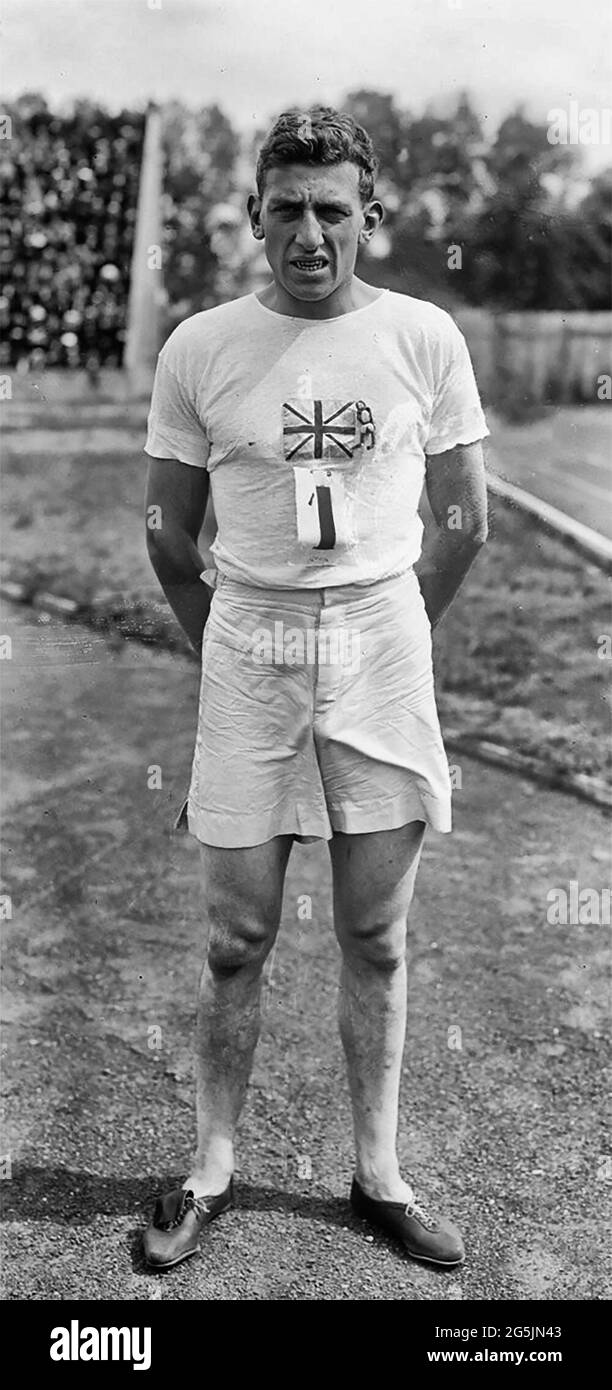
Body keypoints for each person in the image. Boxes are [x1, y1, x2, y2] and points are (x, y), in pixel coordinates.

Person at [142, 105, 489, 1272]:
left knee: (376, 934)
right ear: (254, 218)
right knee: (236, 936)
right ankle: (210, 1166)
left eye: (331, 209)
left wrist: (395, 638)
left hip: (383, 640)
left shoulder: (425, 336)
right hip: (250, 639)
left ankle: (379, 1172)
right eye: (285, 208)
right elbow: (166, 533)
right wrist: (231, 645)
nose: (307, 232)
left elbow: (464, 521)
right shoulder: (200, 346)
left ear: (370, 218)